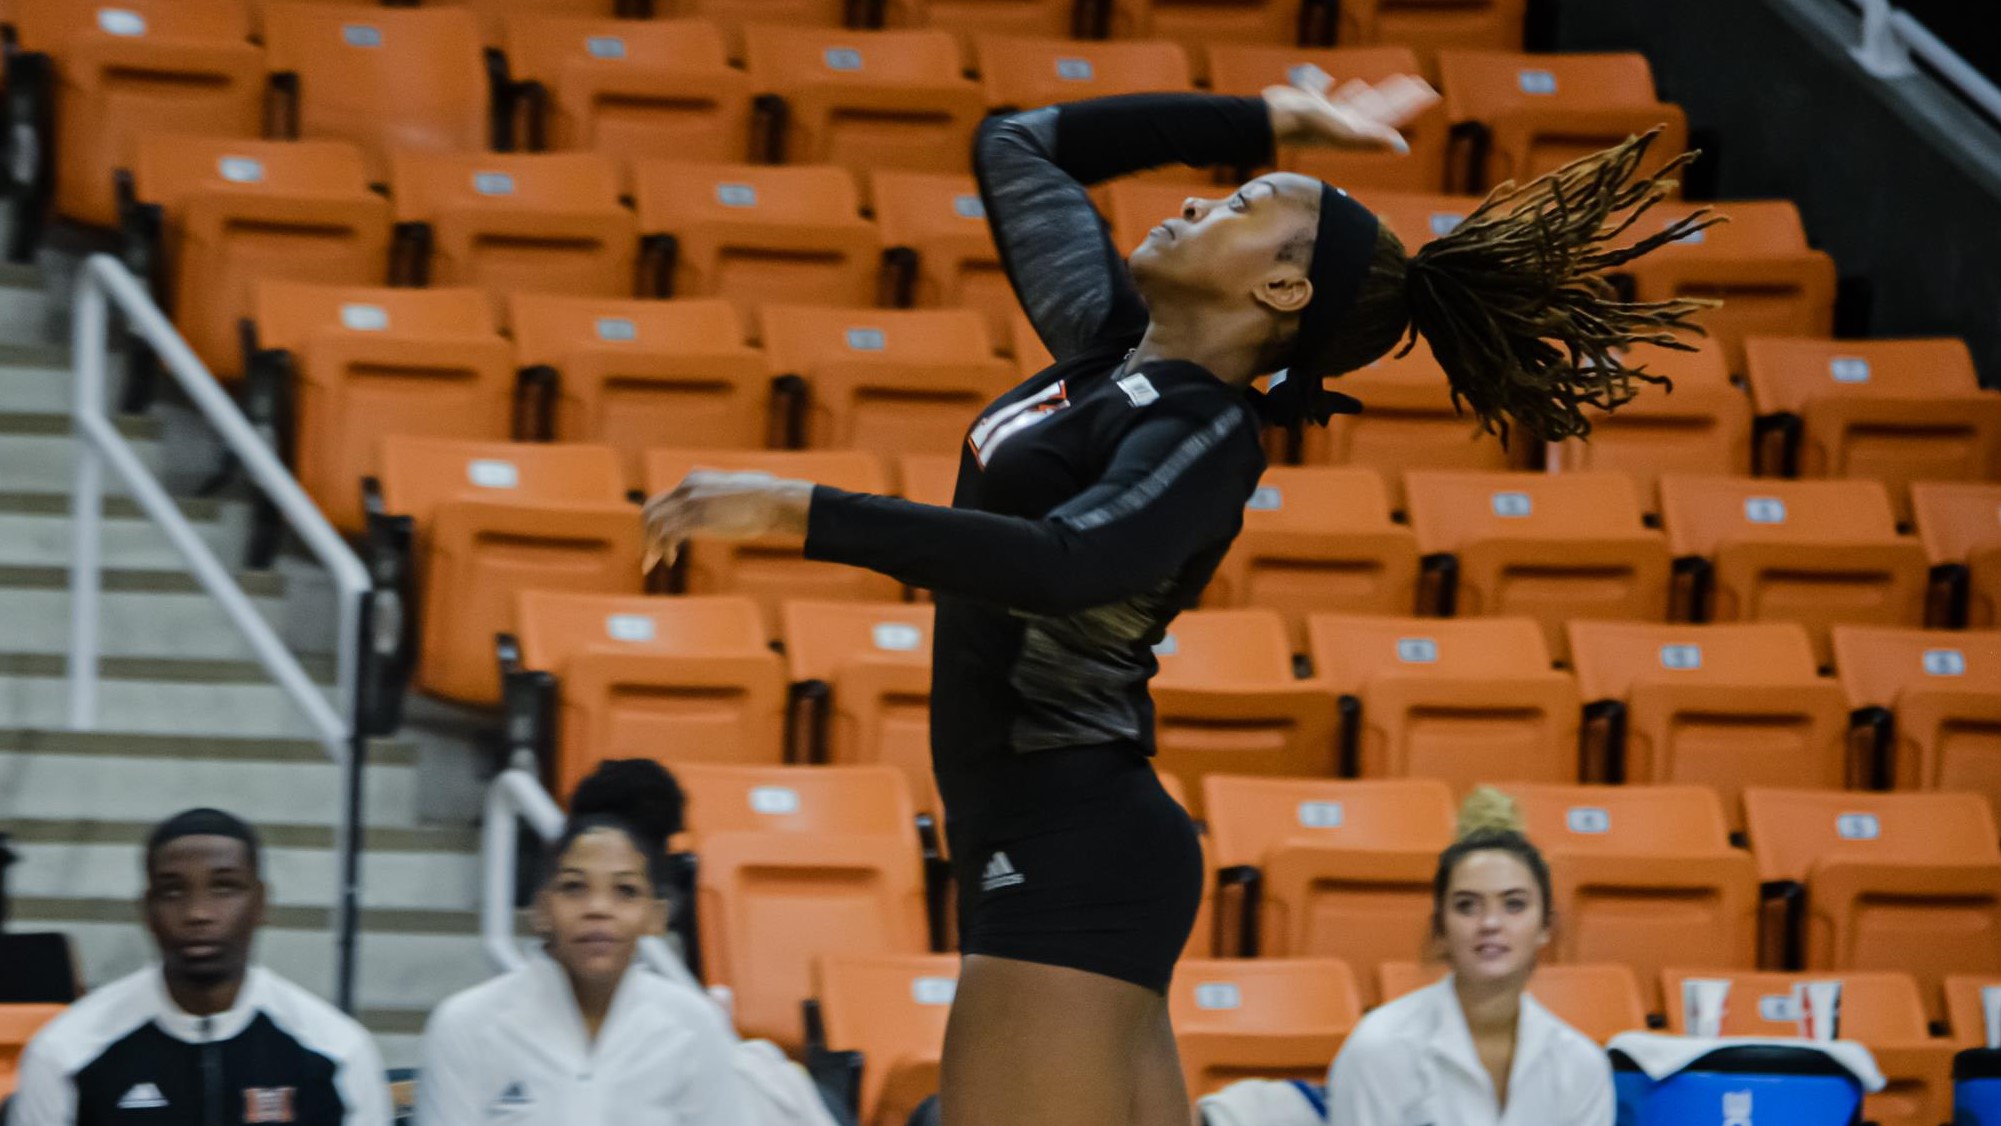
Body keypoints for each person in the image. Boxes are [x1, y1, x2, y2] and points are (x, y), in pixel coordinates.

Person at [639, 75, 1715, 1126]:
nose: (1199, 199)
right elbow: (1020, 145)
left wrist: (798, 510)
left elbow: (1068, 560)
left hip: (1070, 848)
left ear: (1283, 290)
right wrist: (1269, 118)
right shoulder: (1110, 357)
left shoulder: (1207, 429)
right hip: (1057, 839)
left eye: (1242, 204)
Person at [8, 808, 392, 1125]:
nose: (198, 913)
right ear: (147, 909)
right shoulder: (67, 1053)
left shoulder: (337, 1051)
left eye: (224, 888)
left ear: (261, 904)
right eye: (173, 891)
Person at [416, 759, 746, 1126]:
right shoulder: (465, 1025)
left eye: (625, 891)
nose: (598, 909)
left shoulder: (694, 1026)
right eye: (574, 887)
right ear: (541, 909)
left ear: (655, 916)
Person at [1324, 788, 1614, 1126]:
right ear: (1440, 929)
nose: (1490, 923)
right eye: (1467, 906)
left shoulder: (1581, 1063)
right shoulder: (1378, 1048)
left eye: (1514, 904)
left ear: (1545, 926)